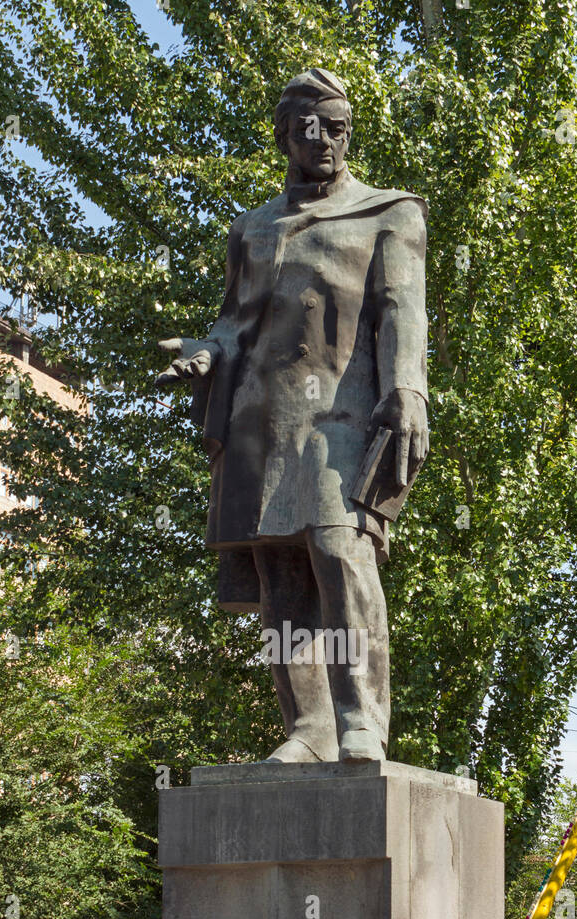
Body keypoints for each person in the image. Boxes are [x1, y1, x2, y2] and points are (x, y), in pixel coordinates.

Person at [156, 68, 428, 763]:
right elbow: (233, 325)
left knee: (339, 551)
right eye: (309, 129)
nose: (324, 141)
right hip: (260, 420)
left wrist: (409, 389)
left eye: (336, 128)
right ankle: (308, 729)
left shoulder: (387, 212)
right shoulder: (250, 227)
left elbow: (401, 310)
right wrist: (202, 354)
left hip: (344, 412)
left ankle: (360, 719)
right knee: (281, 575)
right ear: (284, 135)